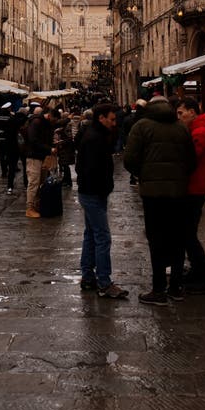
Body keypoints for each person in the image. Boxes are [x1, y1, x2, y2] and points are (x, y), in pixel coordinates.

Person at [124, 94, 195, 305]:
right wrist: (180, 176)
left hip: (153, 193)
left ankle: (158, 289)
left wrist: (143, 174)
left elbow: (129, 159)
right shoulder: (181, 127)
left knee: (156, 239)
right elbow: (191, 160)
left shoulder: (141, 126)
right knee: (177, 238)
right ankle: (176, 287)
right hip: (178, 191)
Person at [76, 103, 129, 299]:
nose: (115, 123)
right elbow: (90, 169)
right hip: (93, 193)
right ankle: (105, 282)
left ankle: (88, 277)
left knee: (91, 234)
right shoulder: (94, 139)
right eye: (112, 119)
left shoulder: (95, 135)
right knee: (103, 237)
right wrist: (102, 188)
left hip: (90, 192)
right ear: (101, 118)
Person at [176, 98, 205, 295]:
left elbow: (190, 158)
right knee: (187, 233)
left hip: (195, 188)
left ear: (192, 112)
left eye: (181, 113)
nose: (179, 117)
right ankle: (197, 270)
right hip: (194, 186)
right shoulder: (196, 129)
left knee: (187, 234)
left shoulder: (200, 132)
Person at [24, 106, 55, 218]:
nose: (54, 122)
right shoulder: (36, 122)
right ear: (49, 115)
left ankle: (37, 205)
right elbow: (33, 140)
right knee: (33, 182)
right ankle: (29, 208)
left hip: (41, 156)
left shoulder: (46, 124)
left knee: (40, 182)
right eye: (54, 119)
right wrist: (48, 148)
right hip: (34, 156)